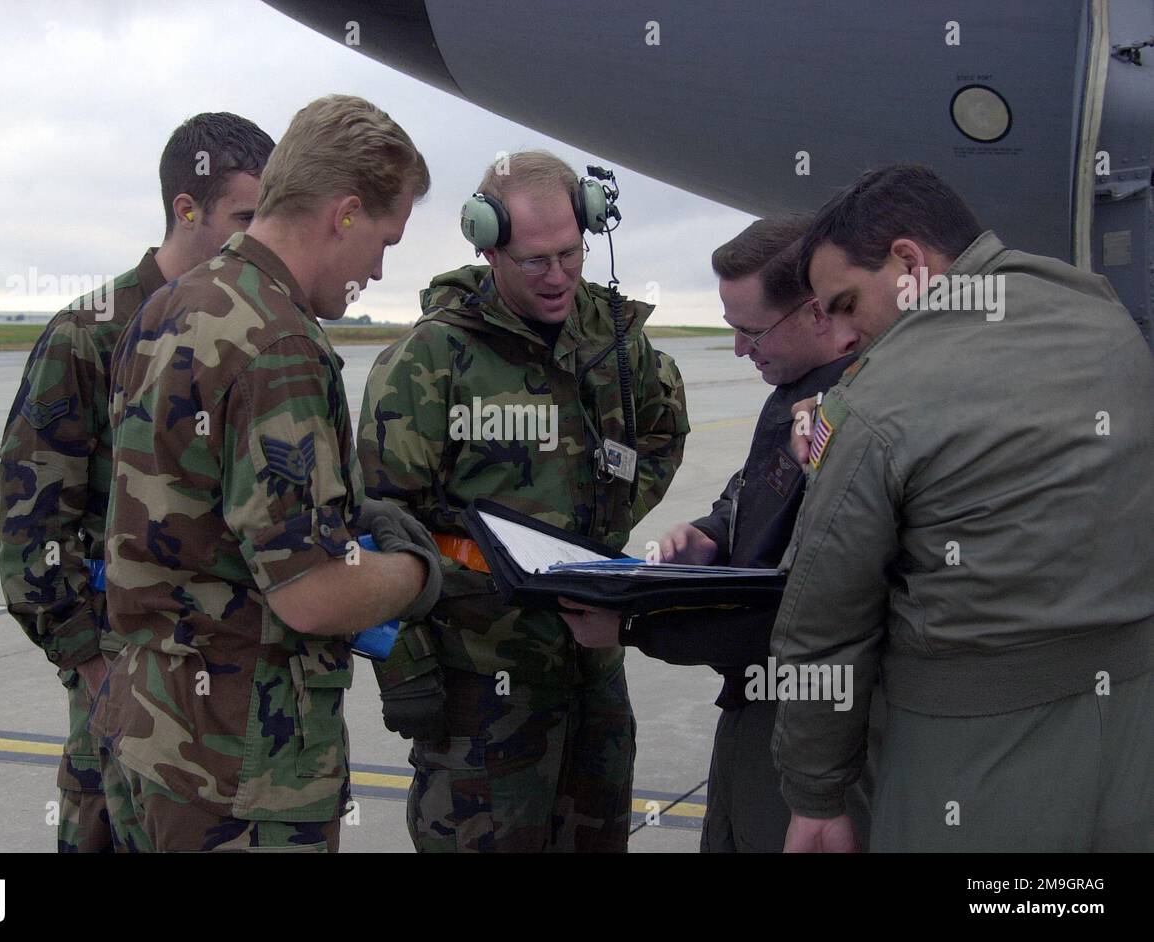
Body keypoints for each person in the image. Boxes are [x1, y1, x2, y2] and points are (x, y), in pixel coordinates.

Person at [87, 95, 440, 853]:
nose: (379, 268)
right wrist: (415, 571)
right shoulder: (279, 343)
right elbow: (312, 595)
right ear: (344, 214)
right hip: (241, 773)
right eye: (384, 239)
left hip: (149, 731)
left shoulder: (168, 306)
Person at [776, 163, 1154, 852]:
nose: (838, 338)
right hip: (1131, 735)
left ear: (908, 262)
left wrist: (816, 793)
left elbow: (823, 624)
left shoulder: (876, 404)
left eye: (845, 304)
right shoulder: (1100, 316)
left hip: (974, 763)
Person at [357, 150, 689, 852]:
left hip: (592, 668)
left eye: (571, 253)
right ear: (487, 244)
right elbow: (379, 524)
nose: (559, 275)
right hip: (479, 681)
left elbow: (663, 429)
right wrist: (406, 668)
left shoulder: (613, 338)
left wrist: (599, 527)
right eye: (535, 260)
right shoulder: (430, 362)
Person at [0, 112, 274, 852]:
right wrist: (91, 664)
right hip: (120, 682)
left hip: (221, 691)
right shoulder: (92, 333)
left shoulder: (251, 331)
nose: (258, 237)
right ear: (187, 209)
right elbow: (32, 531)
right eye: (245, 217)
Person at [563, 215, 872, 852]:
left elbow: (800, 612)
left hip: (814, 731)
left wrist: (631, 625)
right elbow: (754, 490)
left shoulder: (858, 417)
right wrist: (710, 532)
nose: (739, 350)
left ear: (816, 312)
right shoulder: (801, 395)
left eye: (749, 331)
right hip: (762, 712)